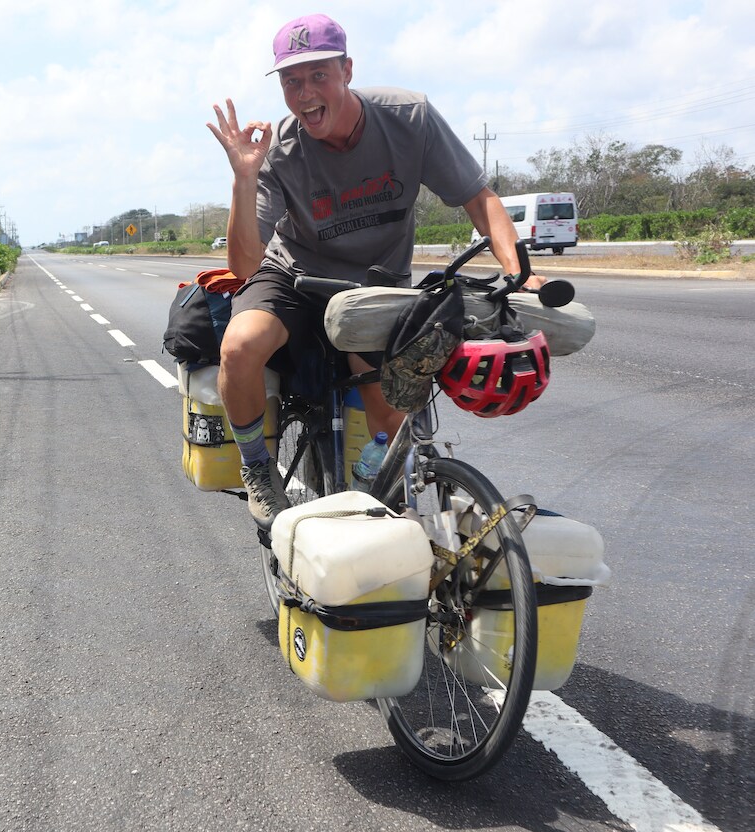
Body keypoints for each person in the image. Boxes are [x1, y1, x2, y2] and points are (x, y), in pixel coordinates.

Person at [207, 13, 545, 529]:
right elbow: (245, 266)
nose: (304, 93)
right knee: (239, 345)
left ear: (347, 69)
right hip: (294, 276)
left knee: (393, 424)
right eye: (291, 81)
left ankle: (375, 494)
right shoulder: (279, 148)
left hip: (374, 285)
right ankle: (258, 467)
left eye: (318, 75)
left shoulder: (408, 118)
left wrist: (522, 272)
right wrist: (244, 179)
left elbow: (479, 198)